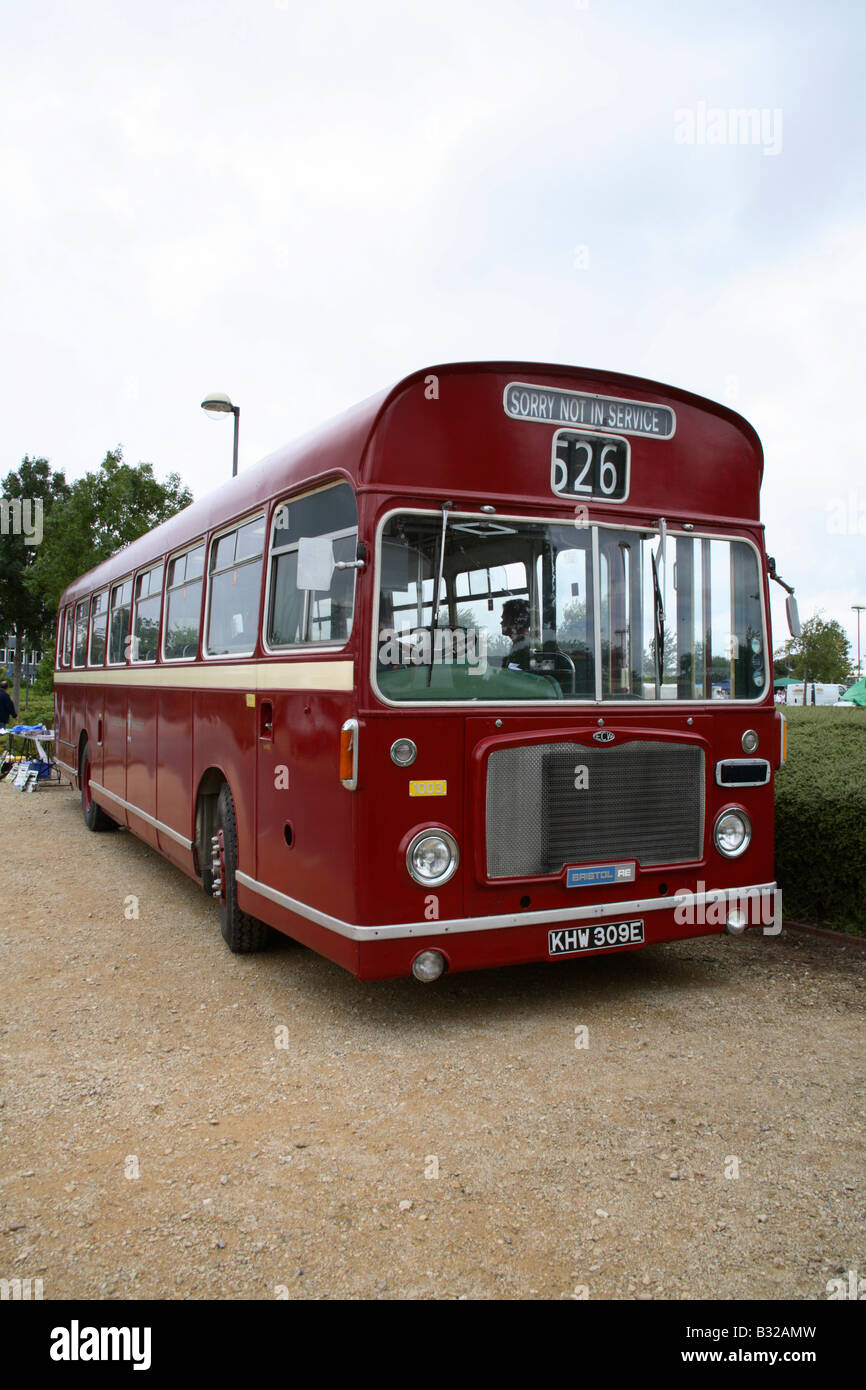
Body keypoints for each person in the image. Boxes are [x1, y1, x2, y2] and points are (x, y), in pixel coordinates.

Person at [500, 598, 532, 671]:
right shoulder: (525, 642)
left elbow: (512, 676)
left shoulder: (522, 646)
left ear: (515, 620)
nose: (501, 623)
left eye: (504, 619)